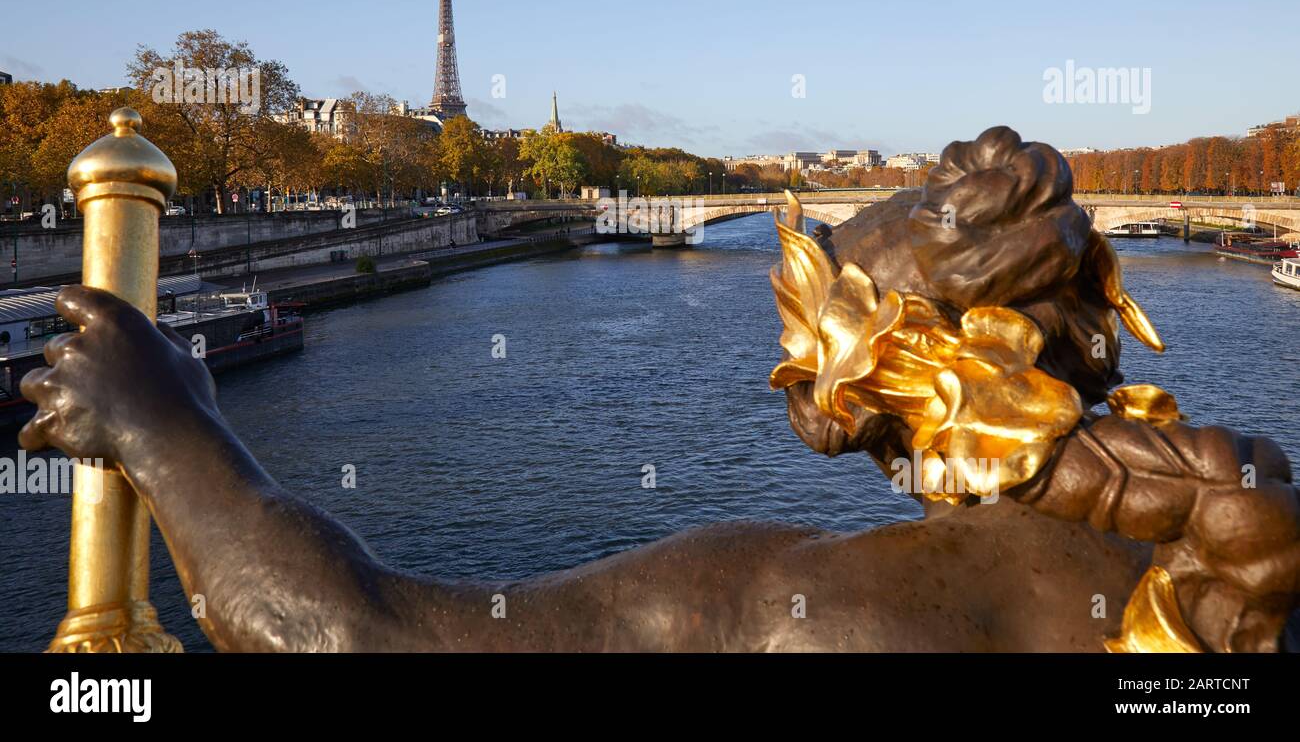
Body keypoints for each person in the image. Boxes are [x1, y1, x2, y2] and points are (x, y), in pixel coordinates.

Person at [19, 128, 1299, 652]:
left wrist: (165, 422)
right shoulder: (1196, 580)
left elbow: (361, 636)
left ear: (894, 364)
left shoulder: (789, 597)